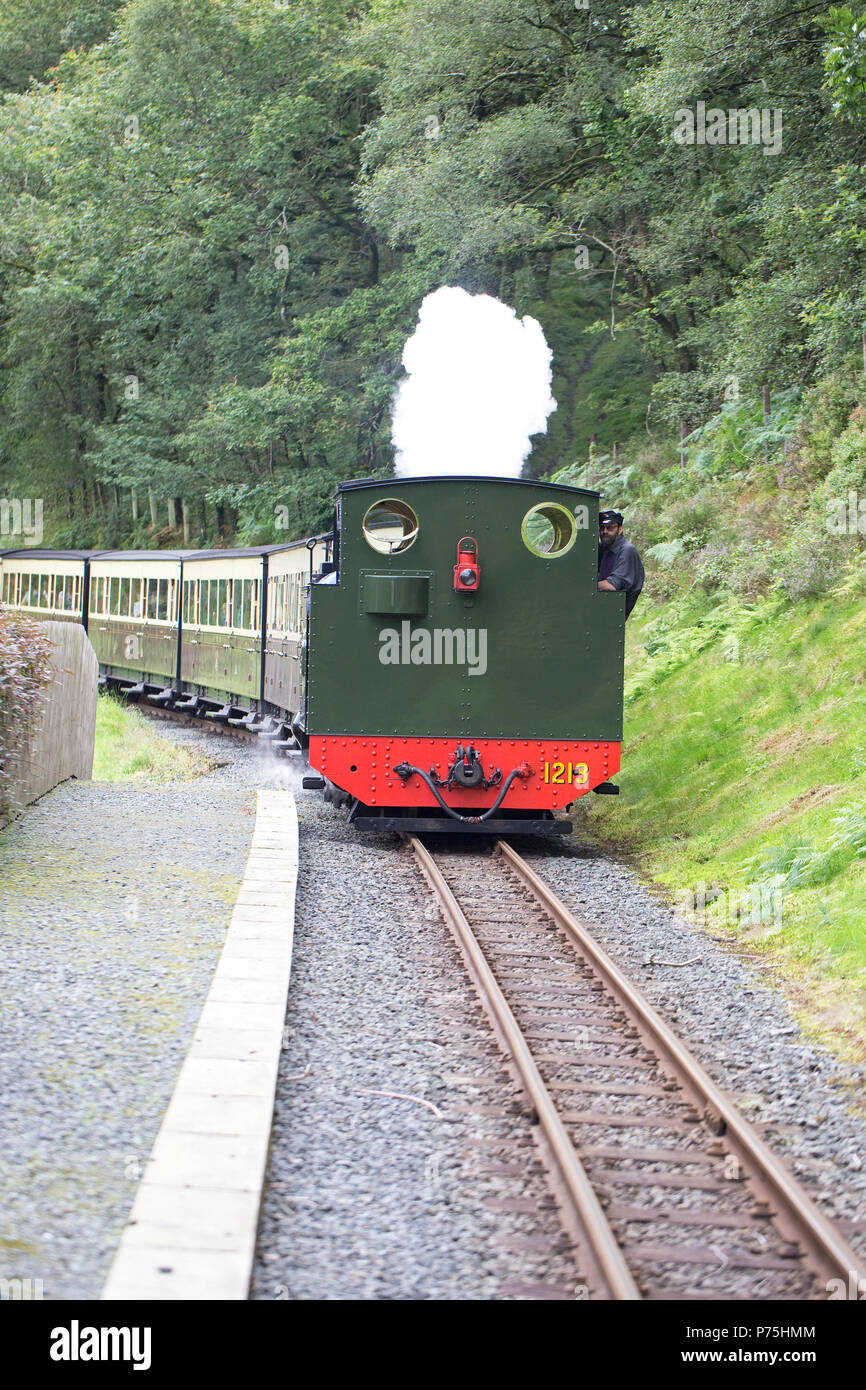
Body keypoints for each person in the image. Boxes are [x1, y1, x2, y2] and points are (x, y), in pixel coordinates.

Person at [597, 509, 644, 618]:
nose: (605, 532)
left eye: (610, 528)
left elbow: (612, 585)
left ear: (620, 529)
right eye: (602, 528)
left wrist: (583, 587)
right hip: (603, 609)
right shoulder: (604, 548)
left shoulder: (627, 550)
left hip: (614, 615)